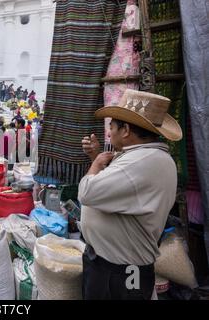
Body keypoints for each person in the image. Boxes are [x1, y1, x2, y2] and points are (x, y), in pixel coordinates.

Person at [79, 89, 183, 300]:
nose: (109, 133)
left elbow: (87, 192)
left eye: (112, 127)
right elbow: (112, 190)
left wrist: (98, 162)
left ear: (125, 130)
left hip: (119, 274)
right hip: (118, 269)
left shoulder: (139, 162)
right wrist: (96, 158)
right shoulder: (149, 157)